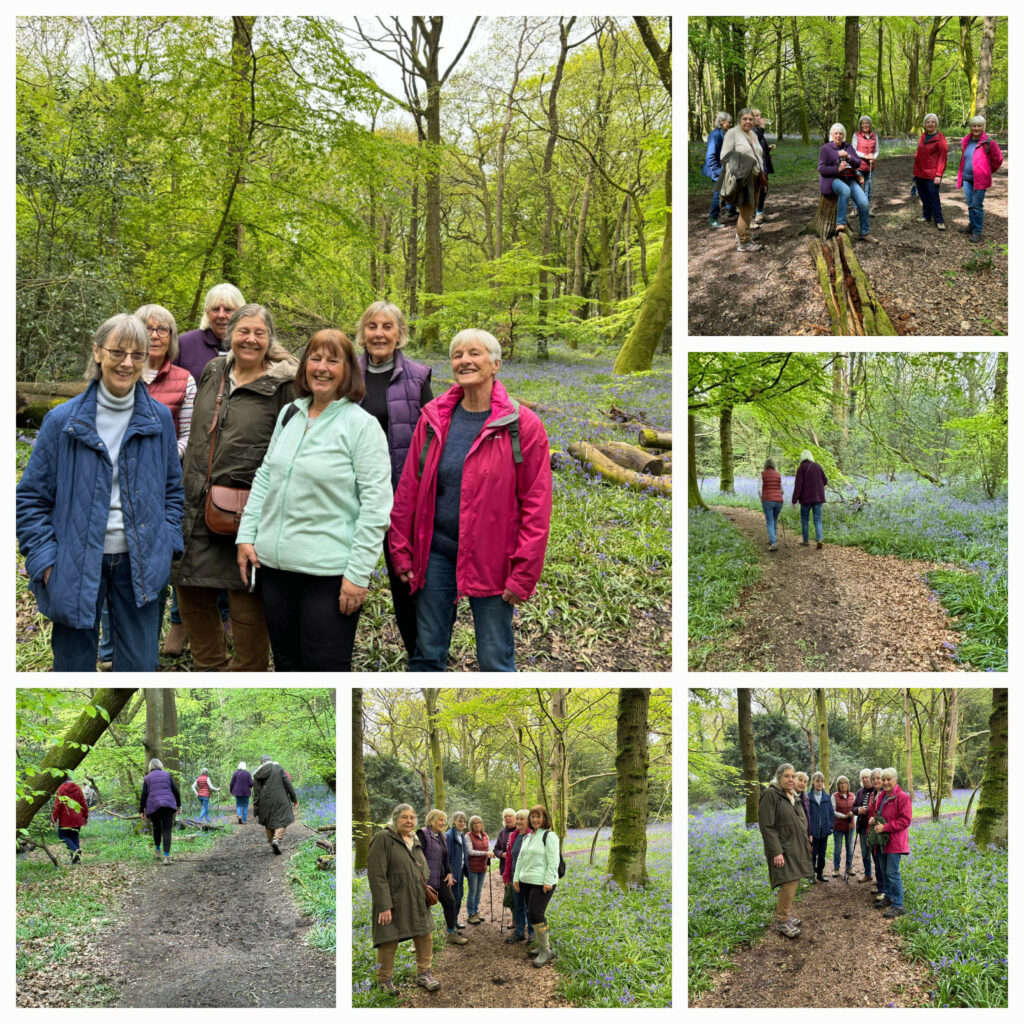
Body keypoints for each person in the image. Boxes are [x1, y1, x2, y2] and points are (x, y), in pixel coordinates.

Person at [16, 314, 184, 671]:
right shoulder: (63, 422)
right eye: (118, 352)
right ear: (97, 352)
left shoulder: (158, 420)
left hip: (138, 563)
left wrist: (165, 547)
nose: (127, 363)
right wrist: (46, 562)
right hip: (74, 561)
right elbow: (30, 498)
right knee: (72, 666)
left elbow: (172, 491)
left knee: (140, 667)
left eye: (137, 355)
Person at [390, 329, 552, 672]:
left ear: (495, 364)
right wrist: (401, 548)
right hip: (436, 553)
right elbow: (409, 488)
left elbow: (536, 506)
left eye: (474, 353)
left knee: (495, 659)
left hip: (495, 559)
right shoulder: (434, 419)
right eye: (458, 355)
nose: (465, 361)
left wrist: (523, 574)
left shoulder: (521, 425)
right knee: (427, 651)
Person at [236, 329, 391, 671]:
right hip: (275, 570)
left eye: (333, 360)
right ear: (304, 365)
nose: (322, 368)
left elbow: (376, 507)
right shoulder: (291, 413)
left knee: (324, 670)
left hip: (329, 576)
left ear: (348, 370)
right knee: (288, 667)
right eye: (315, 358)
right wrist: (246, 535)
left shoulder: (361, 426)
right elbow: (266, 475)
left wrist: (359, 575)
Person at [175, 304, 297, 671]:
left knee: (246, 602)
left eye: (260, 333)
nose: (251, 339)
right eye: (244, 331)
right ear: (230, 335)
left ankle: (249, 673)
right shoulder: (214, 370)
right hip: (195, 502)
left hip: (247, 512)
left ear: (269, 340)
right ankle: (210, 667)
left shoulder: (283, 386)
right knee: (190, 593)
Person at [356, 302, 434, 660]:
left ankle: (421, 657)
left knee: (405, 582)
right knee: (345, 578)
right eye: (372, 326)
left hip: (402, 500)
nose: (379, 334)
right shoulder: (346, 373)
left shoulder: (418, 376)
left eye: (387, 327)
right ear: (363, 332)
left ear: (400, 334)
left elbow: (434, 439)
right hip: (352, 498)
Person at [367, 803, 440, 994]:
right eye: (404, 817)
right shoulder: (383, 838)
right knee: (389, 939)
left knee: (425, 935)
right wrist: (384, 906)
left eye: (412, 817)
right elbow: (377, 874)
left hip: (416, 896)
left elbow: (421, 866)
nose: (409, 821)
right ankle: (384, 981)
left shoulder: (413, 839)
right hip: (393, 900)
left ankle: (424, 973)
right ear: (395, 818)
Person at [758, 763, 814, 939]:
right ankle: (782, 921)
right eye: (787, 776)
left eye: (793, 776)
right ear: (779, 777)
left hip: (796, 846)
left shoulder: (792, 795)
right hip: (783, 848)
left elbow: (800, 821)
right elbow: (767, 826)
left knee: (794, 880)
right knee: (788, 882)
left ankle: (786, 914)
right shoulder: (770, 795)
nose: (791, 779)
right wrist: (776, 851)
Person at [512, 805, 560, 967]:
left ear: (545, 818)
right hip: (526, 881)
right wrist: (516, 877)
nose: (535, 819)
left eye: (538, 816)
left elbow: (554, 861)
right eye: (532, 816)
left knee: (536, 913)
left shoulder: (549, 836)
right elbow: (520, 859)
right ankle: (541, 947)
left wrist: (549, 880)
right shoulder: (527, 837)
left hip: (542, 882)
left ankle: (546, 951)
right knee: (532, 914)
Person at [174, 282, 246, 386]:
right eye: (215, 309)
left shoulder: (250, 345)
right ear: (207, 312)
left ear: (240, 313)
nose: (221, 315)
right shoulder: (185, 344)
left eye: (228, 310)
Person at [818, 123, 878, 243]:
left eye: (841, 133)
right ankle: (841, 224)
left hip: (850, 179)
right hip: (833, 179)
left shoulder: (848, 147)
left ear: (844, 135)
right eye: (836, 133)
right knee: (845, 190)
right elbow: (821, 169)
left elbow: (858, 163)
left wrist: (848, 156)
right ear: (831, 135)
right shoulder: (826, 149)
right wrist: (837, 169)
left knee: (864, 203)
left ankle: (865, 233)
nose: (838, 136)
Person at [416, 810, 467, 946]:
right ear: (431, 820)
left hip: (442, 877)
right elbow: (416, 858)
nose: (443, 823)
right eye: (440, 820)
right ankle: (417, 941)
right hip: (426, 879)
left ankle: (451, 933)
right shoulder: (422, 834)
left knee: (450, 901)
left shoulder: (441, 836)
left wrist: (449, 873)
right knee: (423, 908)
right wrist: (420, 879)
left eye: (444, 820)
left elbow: (446, 857)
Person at [719, 108, 764, 252]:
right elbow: (724, 156)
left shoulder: (753, 134)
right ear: (739, 120)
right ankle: (744, 242)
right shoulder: (732, 133)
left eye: (750, 119)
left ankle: (743, 233)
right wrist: (740, 168)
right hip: (742, 177)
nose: (748, 121)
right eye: (745, 119)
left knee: (753, 206)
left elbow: (758, 154)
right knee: (746, 207)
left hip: (756, 176)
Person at [869, 767, 911, 918]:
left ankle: (898, 904)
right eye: (883, 779)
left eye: (889, 779)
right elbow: (878, 813)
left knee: (892, 872)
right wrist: (874, 819)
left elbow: (905, 821)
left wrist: (886, 827)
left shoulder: (902, 797)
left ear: (895, 780)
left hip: (894, 841)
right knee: (884, 871)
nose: (885, 782)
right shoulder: (882, 796)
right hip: (882, 841)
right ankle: (889, 897)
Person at [956, 115, 1003, 243]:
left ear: (983, 127)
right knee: (970, 204)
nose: (976, 128)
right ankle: (972, 225)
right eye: (974, 126)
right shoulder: (966, 140)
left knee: (977, 205)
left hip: (980, 180)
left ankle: (977, 231)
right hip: (967, 178)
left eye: (979, 126)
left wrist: (988, 171)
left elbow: (998, 159)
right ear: (971, 127)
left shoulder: (989, 142)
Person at [252, 755, 299, 855]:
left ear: (261, 762)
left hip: (265, 801)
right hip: (281, 799)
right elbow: (288, 784)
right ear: (270, 761)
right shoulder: (278, 768)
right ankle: (276, 840)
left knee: (267, 821)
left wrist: (256, 810)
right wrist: (294, 799)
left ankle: (272, 842)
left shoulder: (257, 773)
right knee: (283, 819)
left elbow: (256, 793)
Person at [139, 757, 181, 865]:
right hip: (168, 805)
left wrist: (141, 810)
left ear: (150, 767)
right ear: (160, 765)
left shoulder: (147, 778)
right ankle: (166, 857)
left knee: (157, 828)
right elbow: (176, 791)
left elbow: (144, 795)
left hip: (154, 806)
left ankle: (158, 851)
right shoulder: (167, 775)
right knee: (167, 830)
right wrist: (179, 805)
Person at [502, 809, 535, 946]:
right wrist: (506, 876)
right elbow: (509, 858)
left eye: (523, 819)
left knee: (529, 907)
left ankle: (532, 933)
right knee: (518, 906)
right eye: (518, 819)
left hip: (528, 878)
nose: (520, 821)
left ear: (529, 821)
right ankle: (520, 932)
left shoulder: (532, 836)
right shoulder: (513, 836)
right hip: (514, 877)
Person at [913, 113, 948, 230]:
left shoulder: (940, 138)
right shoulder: (922, 137)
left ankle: (939, 220)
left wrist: (939, 174)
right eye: (928, 122)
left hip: (932, 173)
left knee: (933, 196)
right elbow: (918, 154)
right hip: (919, 172)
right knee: (923, 195)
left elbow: (942, 157)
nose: (930, 124)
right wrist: (915, 171)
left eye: (933, 122)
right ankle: (926, 215)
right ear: (925, 124)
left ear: (936, 124)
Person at [701, 111, 734, 229]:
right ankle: (713, 218)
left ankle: (730, 210)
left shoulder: (724, 133)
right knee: (718, 193)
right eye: (728, 122)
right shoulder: (715, 135)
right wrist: (719, 171)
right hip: (716, 170)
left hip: (725, 168)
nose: (730, 124)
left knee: (731, 188)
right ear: (721, 121)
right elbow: (710, 156)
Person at [792, 450, 828, 549]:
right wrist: (818, 486)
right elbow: (825, 480)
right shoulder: (818, 466)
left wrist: (794, 500)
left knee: (804, 519)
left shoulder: (801, 468)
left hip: (805, 499)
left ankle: (806, 541)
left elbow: (798, 485)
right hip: (818, 498)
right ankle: (819, 539)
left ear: (802, 457)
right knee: (817, 519)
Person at [51, 774, 89, 865]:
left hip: (66, 819)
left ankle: (75, 850)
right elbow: (83, 803)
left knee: (62, 836)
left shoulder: (61, 789)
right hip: (77, 818)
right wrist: (85, 816)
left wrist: (53, 819)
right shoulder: (77, 788)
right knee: (74, 837)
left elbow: (57, 806)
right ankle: (76, 859)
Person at [463, 815, 492, 924]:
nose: (477, 824)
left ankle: (476, 911)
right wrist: (484, 853)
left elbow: (489, 848)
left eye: (479, 822)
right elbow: (470, 851)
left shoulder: (485, 835)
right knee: (472, 891)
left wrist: (490, 854)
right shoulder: (468, 836)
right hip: (472, 868)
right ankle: (470, 914)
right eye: (474, 823)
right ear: (471, 825)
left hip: (483, 867)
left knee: (479, 891)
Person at [806, 771, 834, 882]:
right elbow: (806, 816)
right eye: (817, 781)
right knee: (813, 855)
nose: (820, 783)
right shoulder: (808, 797)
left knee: (822, 854)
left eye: (822, 781)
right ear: (813, 782)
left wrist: (830, 826)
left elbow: (831, 813)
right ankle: (811, 875)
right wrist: (809, 832)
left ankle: (820, 874)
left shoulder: (827, 797)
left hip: (824, 832)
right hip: (813, 832)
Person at [751, 108, 776, 227]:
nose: (759, 118)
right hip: (756, 166)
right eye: (756, 115)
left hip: (764, 164)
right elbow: (755, 141)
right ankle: (753, 217)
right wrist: (762, 127)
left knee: (764, 188)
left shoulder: (757, 130)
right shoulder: (751, 131)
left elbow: (760, 145)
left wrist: (768, 148)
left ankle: (760, 212)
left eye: (759, 115)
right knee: (757, 190)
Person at [445, 811, 469, 930]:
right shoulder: (449, 835)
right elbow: (446, 855)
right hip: (453, 872)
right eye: (460, 821)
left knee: (459, 896)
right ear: (454, 821)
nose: (462, 823)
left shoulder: (461, 835)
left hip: (460, 871)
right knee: (455, 898)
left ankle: (455, 920)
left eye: (464, 821)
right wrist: (450, 872)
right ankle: (451, 924)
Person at [852, 768, 875, 883]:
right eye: (863, 778)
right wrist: (858, 810)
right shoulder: (859, 792)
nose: (865, 779)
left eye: (867, 777)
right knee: (864, 851)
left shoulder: (876, 791)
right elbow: (853, 807)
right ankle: (868, 874)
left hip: (872, 826)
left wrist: (867, 810)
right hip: (862, 826)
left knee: (875, 852)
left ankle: (879, 877)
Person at [757, 458, 784, 552]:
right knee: (774, 519)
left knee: (769, 521)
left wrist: (762, 499)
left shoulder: (762, 474)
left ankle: (773, 541)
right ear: (774, 465)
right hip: (779, 501)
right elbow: (782, 490)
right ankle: (773, 538)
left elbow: (759, 490)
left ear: (765, 465)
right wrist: (779, 495)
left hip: (767, 500)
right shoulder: (778, 474)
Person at [831, 775, 856, 877]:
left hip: (850, 827)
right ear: (838, 785)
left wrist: (852, 813)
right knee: (838, 849)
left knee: (849, 848)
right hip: (838, 827)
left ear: (848, 784)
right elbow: (832, 811)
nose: (843, 785)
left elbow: (855, 808)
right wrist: (844, 816)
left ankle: (849, 867)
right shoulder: (834, 796)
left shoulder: (852, 796)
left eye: (845, 783)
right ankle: (836, 868)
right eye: (840, 783)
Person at [866, 768, 885, 893]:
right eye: (873, 779)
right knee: (876, 860)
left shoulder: (885, 794)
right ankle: (880, 886)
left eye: (878, 778)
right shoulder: (872, 794)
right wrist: (868, 834)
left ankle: (884, 889)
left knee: (882, 862)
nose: (875, 781)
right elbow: (870, 814)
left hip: (882, 832)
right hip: (873, 831)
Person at [852, 115, 879, 204]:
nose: (865, 125)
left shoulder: (874, 136)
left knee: (869, 189)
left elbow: (876, 151)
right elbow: (854, 150)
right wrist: (865, 156)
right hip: (859, 167)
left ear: (870, 124)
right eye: (863, 123)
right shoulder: (856, 135)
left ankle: (867, 208)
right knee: (858, 188)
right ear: (860, 125)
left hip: (870, 167)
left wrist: (873, 157)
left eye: (867, 123)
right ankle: (855, 209)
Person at [492, 807, 518, 877]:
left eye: (510, 816)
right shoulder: (501, 833)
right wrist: (501, 854)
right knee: (507, 887)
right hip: (505, 867)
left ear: (515, 817)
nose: (507, 818)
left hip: (518, 866)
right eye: (505, 816)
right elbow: (495, 849)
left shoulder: (520, 831)